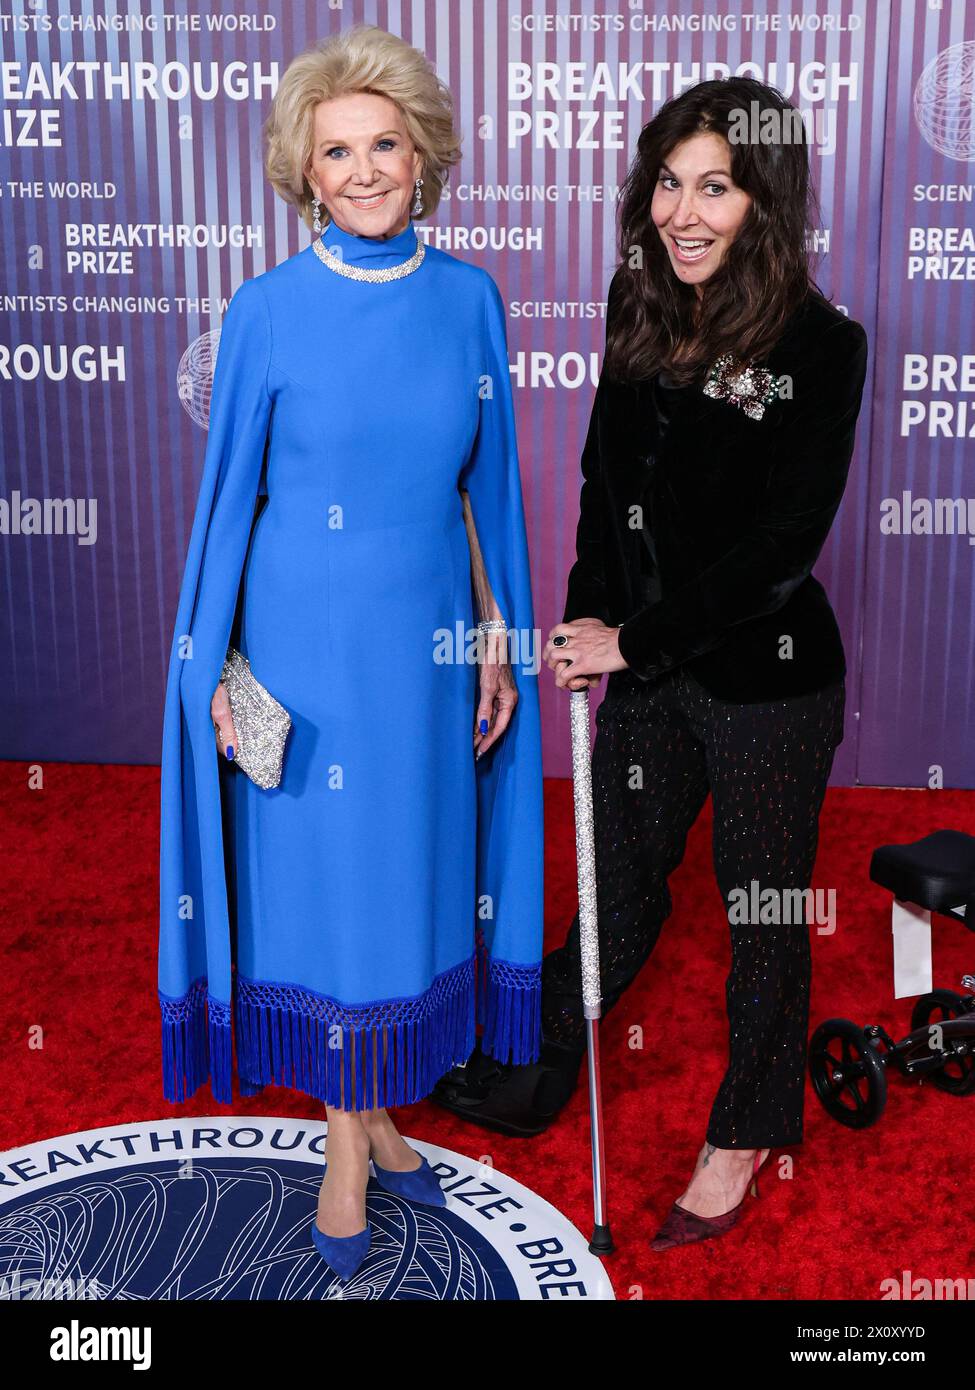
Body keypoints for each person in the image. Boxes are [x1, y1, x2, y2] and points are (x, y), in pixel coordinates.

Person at [432, 77, 868, 1251]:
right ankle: (546, 1058)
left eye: (714, 186)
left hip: (768, 683)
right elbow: (600, 491)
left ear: (762, 201)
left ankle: (748, 1127)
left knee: (761, 907)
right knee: (615, 882)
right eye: (669, 182)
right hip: (644, 673)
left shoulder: (823, 348)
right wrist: (586, 628)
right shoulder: (640, 304)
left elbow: (782, 548)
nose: (683, 211)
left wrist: (638, 641)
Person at [157, 25, 544, 1282]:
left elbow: (489, 491)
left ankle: (379, 1106)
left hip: (425, 645)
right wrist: (222, 668)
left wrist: (494, 638)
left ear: (423, 156)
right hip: (305, 651)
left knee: (410, 878)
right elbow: (229, 510)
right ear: (303, 171)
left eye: (386, 145)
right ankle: (341, 1134)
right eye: (339, 152)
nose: (367, 170)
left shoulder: (471, 296)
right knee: (327, 894)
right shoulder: (265, 311)